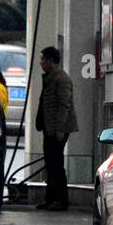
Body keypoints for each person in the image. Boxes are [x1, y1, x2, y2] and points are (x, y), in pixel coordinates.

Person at [34, 46, 77, 211]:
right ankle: (51, 199)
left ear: (51, 61)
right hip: (49, 126)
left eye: (43, 60)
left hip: (58, 128)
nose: (41, 63)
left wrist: (60, 128)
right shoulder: (51, 77)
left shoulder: (62, 79)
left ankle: (61, 200)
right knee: (50, 163)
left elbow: (64, 104)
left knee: (56, 163)